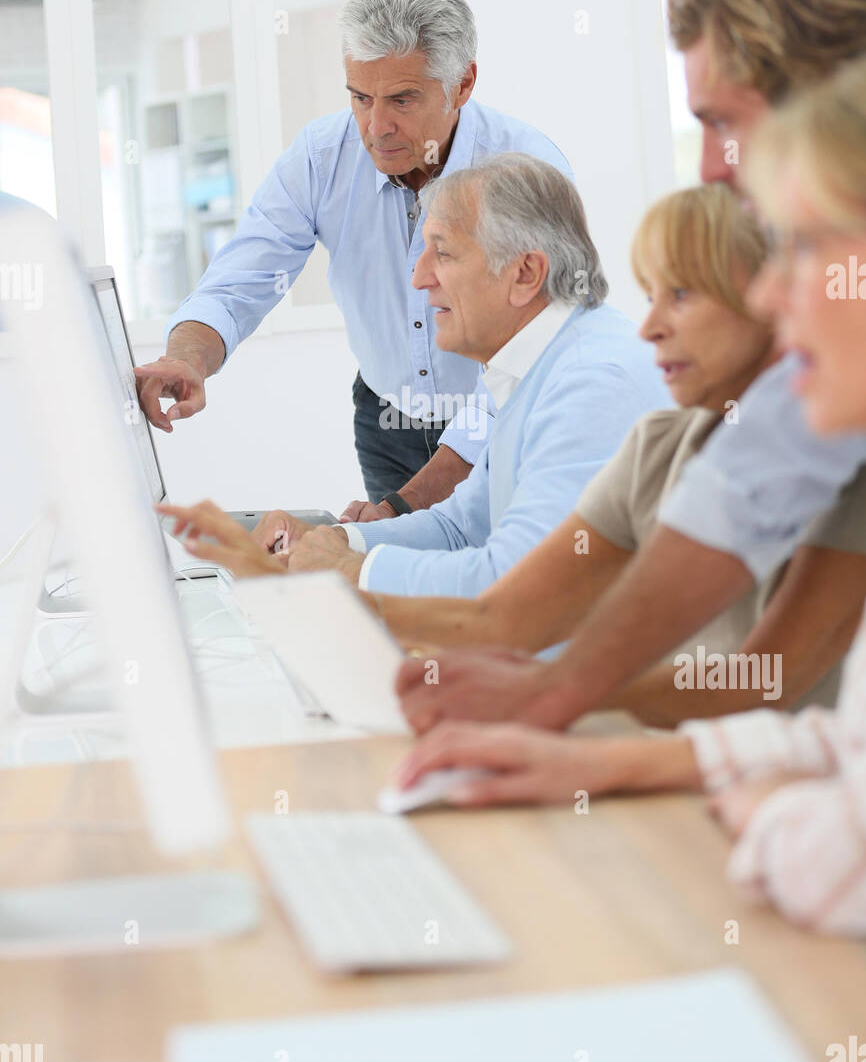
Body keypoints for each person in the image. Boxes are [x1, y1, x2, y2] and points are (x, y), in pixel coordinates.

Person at [389, 56, 866, 937]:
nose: (648, 326)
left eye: (800, 249)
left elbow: (834, 852)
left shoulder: (607, 379)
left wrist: (588, 714)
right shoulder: (675, 439)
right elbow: (833, 747)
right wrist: (593, 742)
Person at [393, 0, 866, 727]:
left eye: (722, 122)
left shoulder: (599, 374)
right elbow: (740, 496)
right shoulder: (810, 349)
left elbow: (774, 671)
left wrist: (563, 713)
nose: (713, 166)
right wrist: (554, 703)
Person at [334, 182, 866, 726]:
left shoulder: (600, 381)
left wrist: (347, 579)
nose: (650, 328)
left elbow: (763, 684)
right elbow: (513, 611)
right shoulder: (657, 446)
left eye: (681, 294)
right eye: (652, 294)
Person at [134, 0, 573, 518]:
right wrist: (187, 360)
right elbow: (238, 282)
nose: (376, 126)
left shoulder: (526, 168)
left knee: (505, 582)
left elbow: (529, 361)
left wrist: (402, 508)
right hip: (387, 419)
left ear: (462, 84)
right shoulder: (322, 157)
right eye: (360, 98)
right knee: (401, 594)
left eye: (402, 100)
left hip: (507, 412)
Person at [159, 155, 667, 598]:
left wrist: (353, 570)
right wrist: (336, 540)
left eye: (442, 252)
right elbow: (459, 527)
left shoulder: (593, 384)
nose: (419, 277)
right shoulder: (533, 367)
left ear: (526, 274)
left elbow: (522, 580)